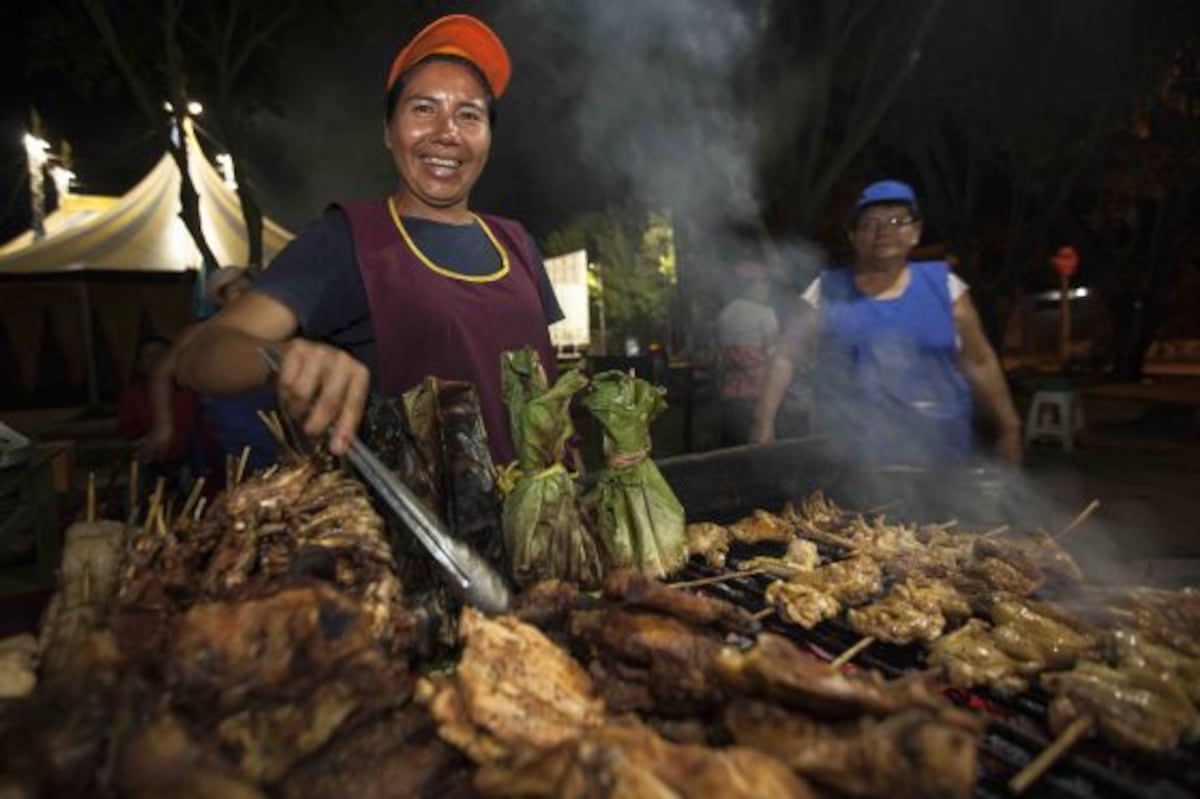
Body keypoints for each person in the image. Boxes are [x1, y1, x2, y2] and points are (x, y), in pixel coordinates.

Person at [175, 14, 563, 467]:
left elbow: (544, 391)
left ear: (488, 138)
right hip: (415, 531)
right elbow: (198, 355)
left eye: (469, 114)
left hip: (542, 530)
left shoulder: (517, 245)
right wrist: (282, 356)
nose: (446, 132)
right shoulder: (347, 240)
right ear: (387, 131)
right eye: (423, 108)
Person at [751, 180, 1022, 466]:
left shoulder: (947, 288)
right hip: (849, 460)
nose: (884, 231)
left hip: (938, 458)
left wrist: (1010, 426)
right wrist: (763, 422)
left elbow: (980, 362)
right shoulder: (825, 291)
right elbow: (785, 356)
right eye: (869, 223)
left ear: (915, 233)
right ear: (853, 237)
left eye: (897, 220)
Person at [118, 335, 202, 490]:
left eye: (162, 355)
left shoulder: (192, 390)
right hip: (152, 463)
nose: (156, 360)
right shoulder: (132, 394)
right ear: (139, 364)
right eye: (149, 356)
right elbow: (129, 432)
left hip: (191, 462)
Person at [715, 260, 779, 446]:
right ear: (750, 285)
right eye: (764, 282)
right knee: (759, 458)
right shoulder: (765, 314)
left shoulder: (724, 315)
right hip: (758, 400)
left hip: (730, 398)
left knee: (731, 456)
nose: (767, 288)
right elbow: (774, 359)